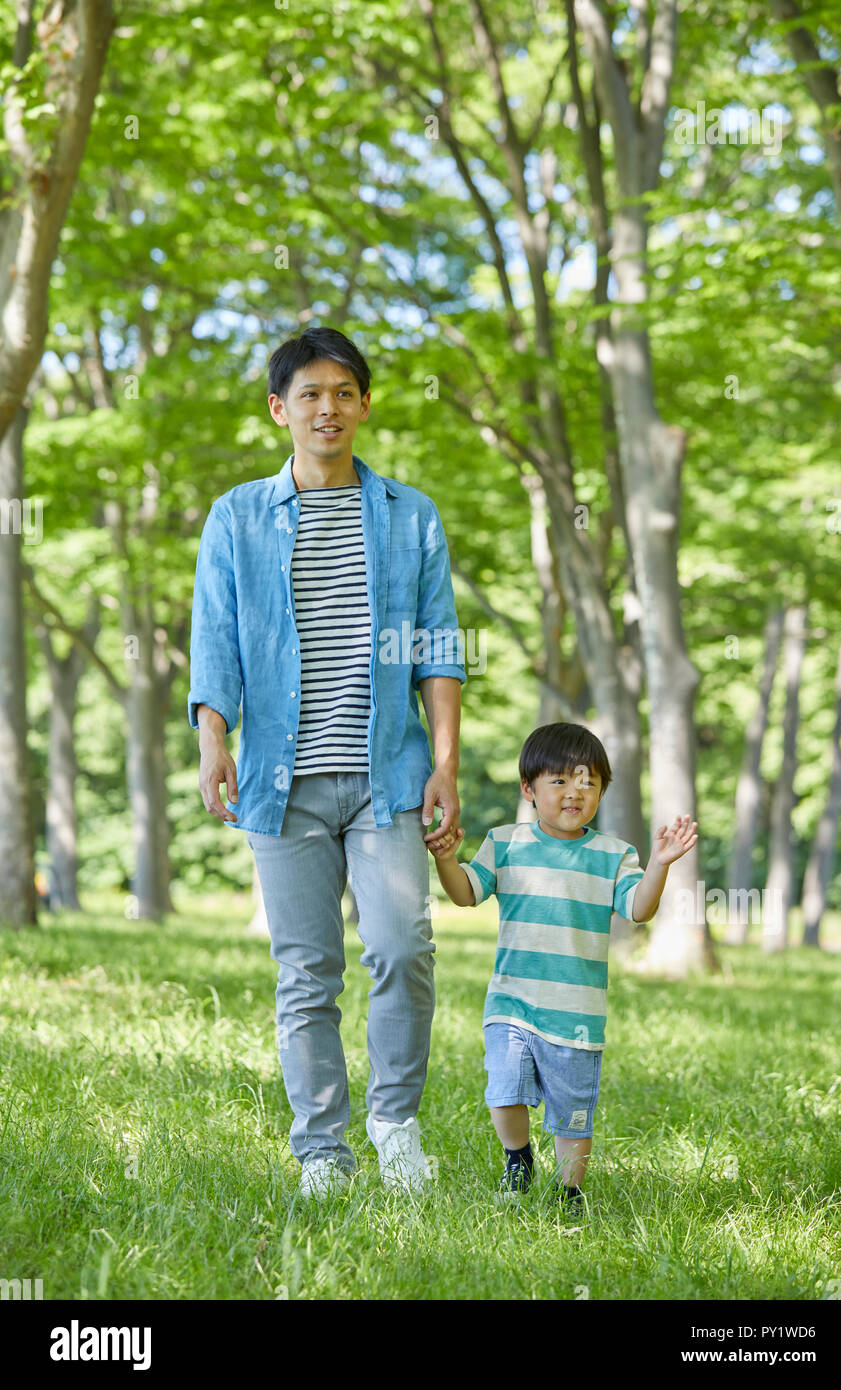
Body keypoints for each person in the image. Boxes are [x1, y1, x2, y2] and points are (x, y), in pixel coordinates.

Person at [187, 327, 466, 1196]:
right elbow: (216, 640)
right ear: (280, 409)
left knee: (402, 945)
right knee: (307, 970)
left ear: (365, 404)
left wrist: (446, 764)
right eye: (309, 393)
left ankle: (395, 1122)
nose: (327, 408)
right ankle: (321, 1152)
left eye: (344, 391)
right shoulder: (236, 516)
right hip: (283, 781)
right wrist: (213, 741)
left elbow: (439, 649)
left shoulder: (410, 515)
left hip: (387, 777)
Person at [428, 721, 698, 1216]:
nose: (576, 791)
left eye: (588, 781)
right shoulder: (505, 842)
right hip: (511, 1001)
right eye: (560, 780)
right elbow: (466, 893)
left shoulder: (615, 856)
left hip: (577, 1012)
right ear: (529, 789)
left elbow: (638, 910)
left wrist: (660, 864)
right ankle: (518, 1160)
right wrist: (446, 860)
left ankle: (570, 1193)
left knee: (573, 1113)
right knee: (504, 1088)